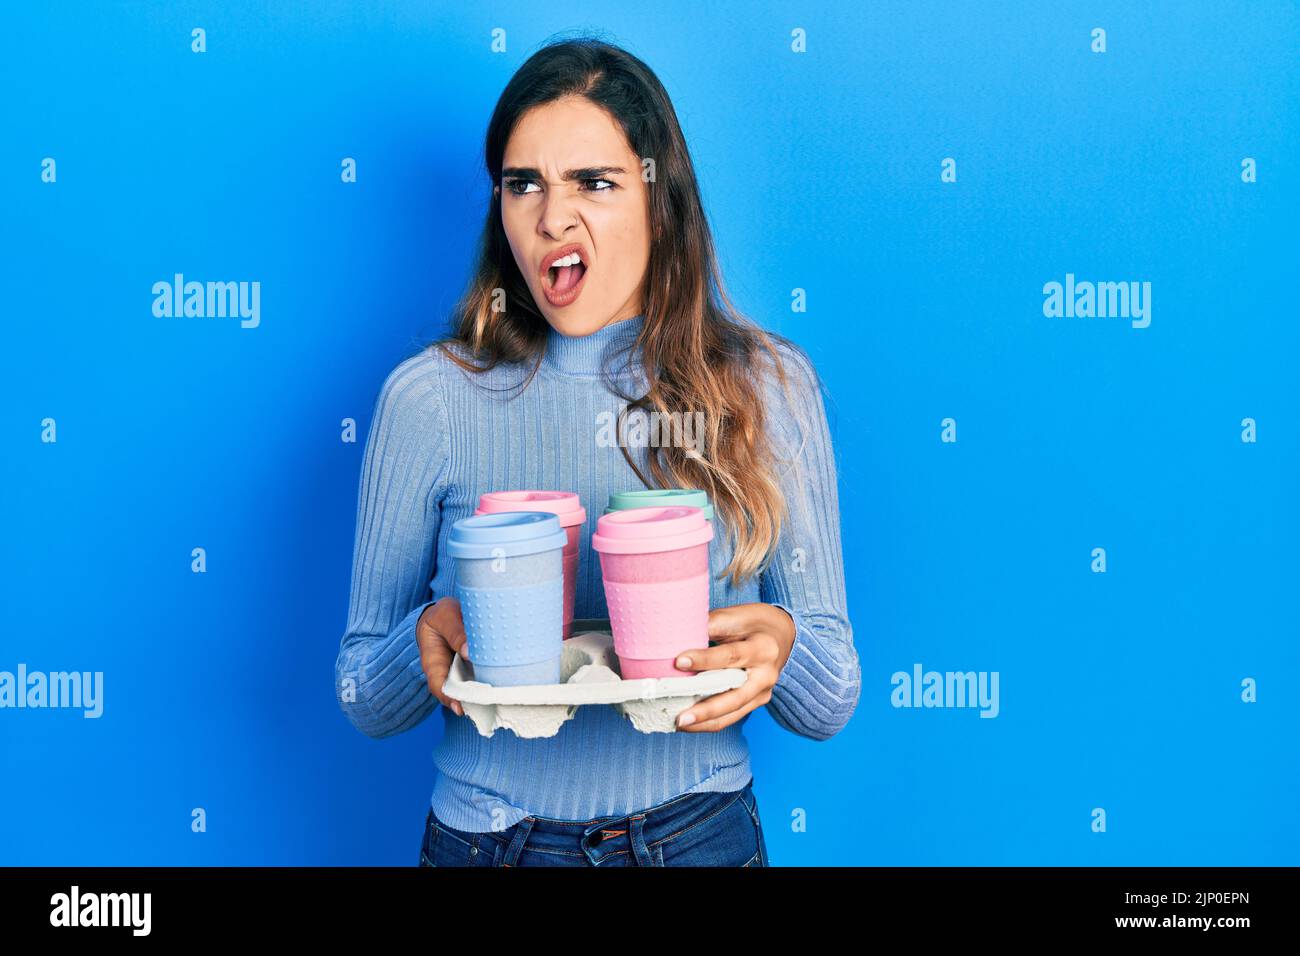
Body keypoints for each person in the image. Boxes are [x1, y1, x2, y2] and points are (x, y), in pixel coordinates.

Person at [335, 36, 860, 867]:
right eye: (523, 184)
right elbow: (363, 691)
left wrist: (783, 650)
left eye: (594, 182)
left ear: (660, 200)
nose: (551, 218)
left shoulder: (765, 387)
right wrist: (432, 632)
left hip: (698, 841)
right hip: (487, 844)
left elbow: (830, 697)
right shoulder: (429, 399)